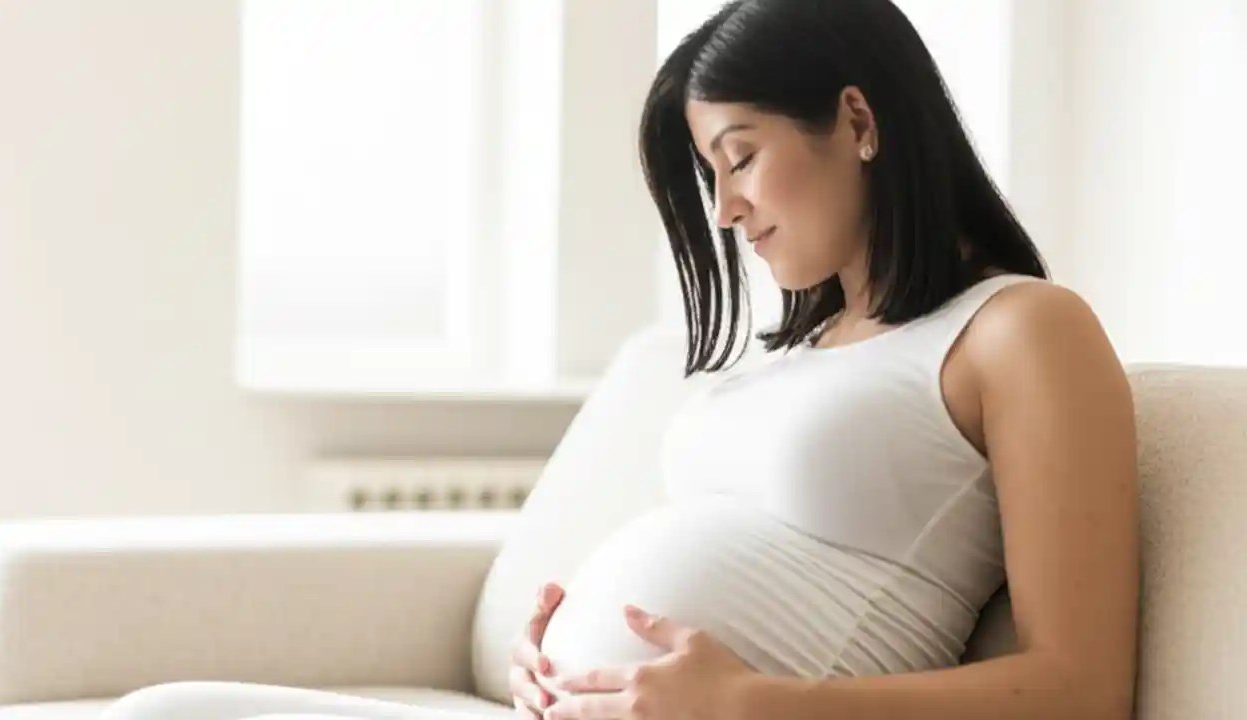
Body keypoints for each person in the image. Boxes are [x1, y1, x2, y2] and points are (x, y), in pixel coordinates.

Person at [102, 1, 1139, 719]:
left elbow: (1080, 689)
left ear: (856, 121)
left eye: (737, 156)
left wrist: (757, 707)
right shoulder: (805, 353)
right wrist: (557, 665)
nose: (725, 210)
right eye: (708, 176)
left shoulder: (1018, 331)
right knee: (166, 709)